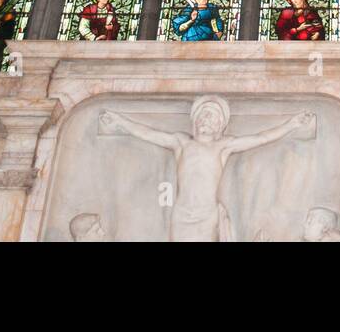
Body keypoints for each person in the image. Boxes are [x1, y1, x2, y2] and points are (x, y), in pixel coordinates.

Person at [98, 96, 315, 241]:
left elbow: (260, 138)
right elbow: (148, 133)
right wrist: (120, 122)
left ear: (220, 125)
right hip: (182, 215)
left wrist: (291, 125)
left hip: (206, 215)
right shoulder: (181, 142)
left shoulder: (223, 146)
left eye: (213, 116)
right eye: (204, 114)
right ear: (195, 119)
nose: (207, 119)